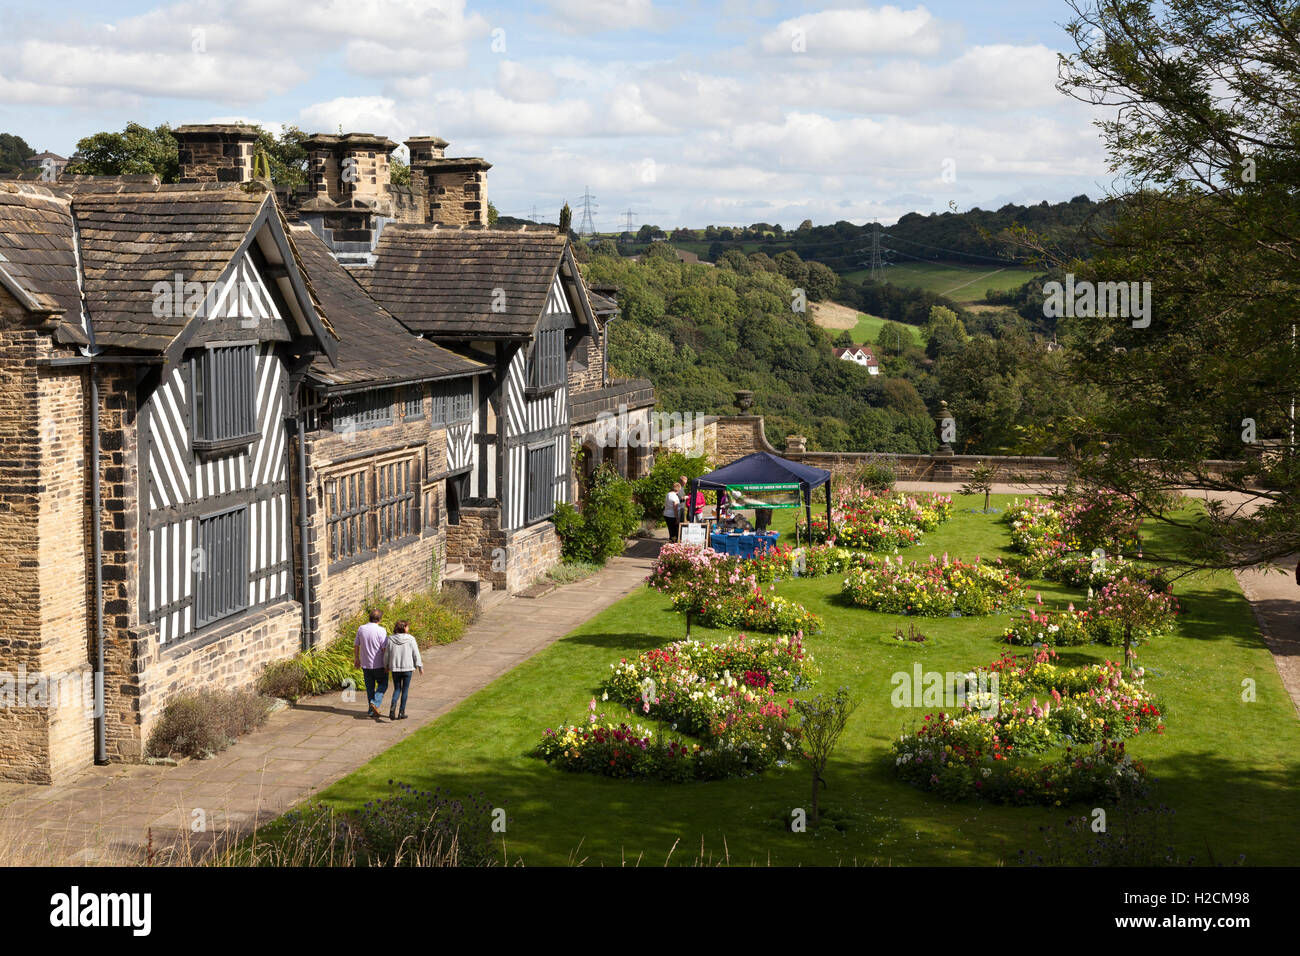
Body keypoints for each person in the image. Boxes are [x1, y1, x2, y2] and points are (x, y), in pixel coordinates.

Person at [353, 609, 389, 721]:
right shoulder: (381, 630)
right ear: (379, 619)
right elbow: (384, 649)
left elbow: (356, 645)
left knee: (370, 688)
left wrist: (356, 658)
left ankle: (371, 711)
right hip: (379, 664)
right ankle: (375, 703)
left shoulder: (361, 628)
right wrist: (387, 664)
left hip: (365, 664)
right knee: (383, 684)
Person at [384, 620, 424, 720]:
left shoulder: (390, 639)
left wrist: (386, 665)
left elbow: (387, 654)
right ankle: (401, 712)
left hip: (395, 668)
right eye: (407, 627)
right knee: (405, 690)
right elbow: (416, 653)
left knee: (397, 689)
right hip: (408, 668)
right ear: (404, 628)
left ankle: (393, 706)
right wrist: (420, 666)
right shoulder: (411, 639)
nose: (408, 628)